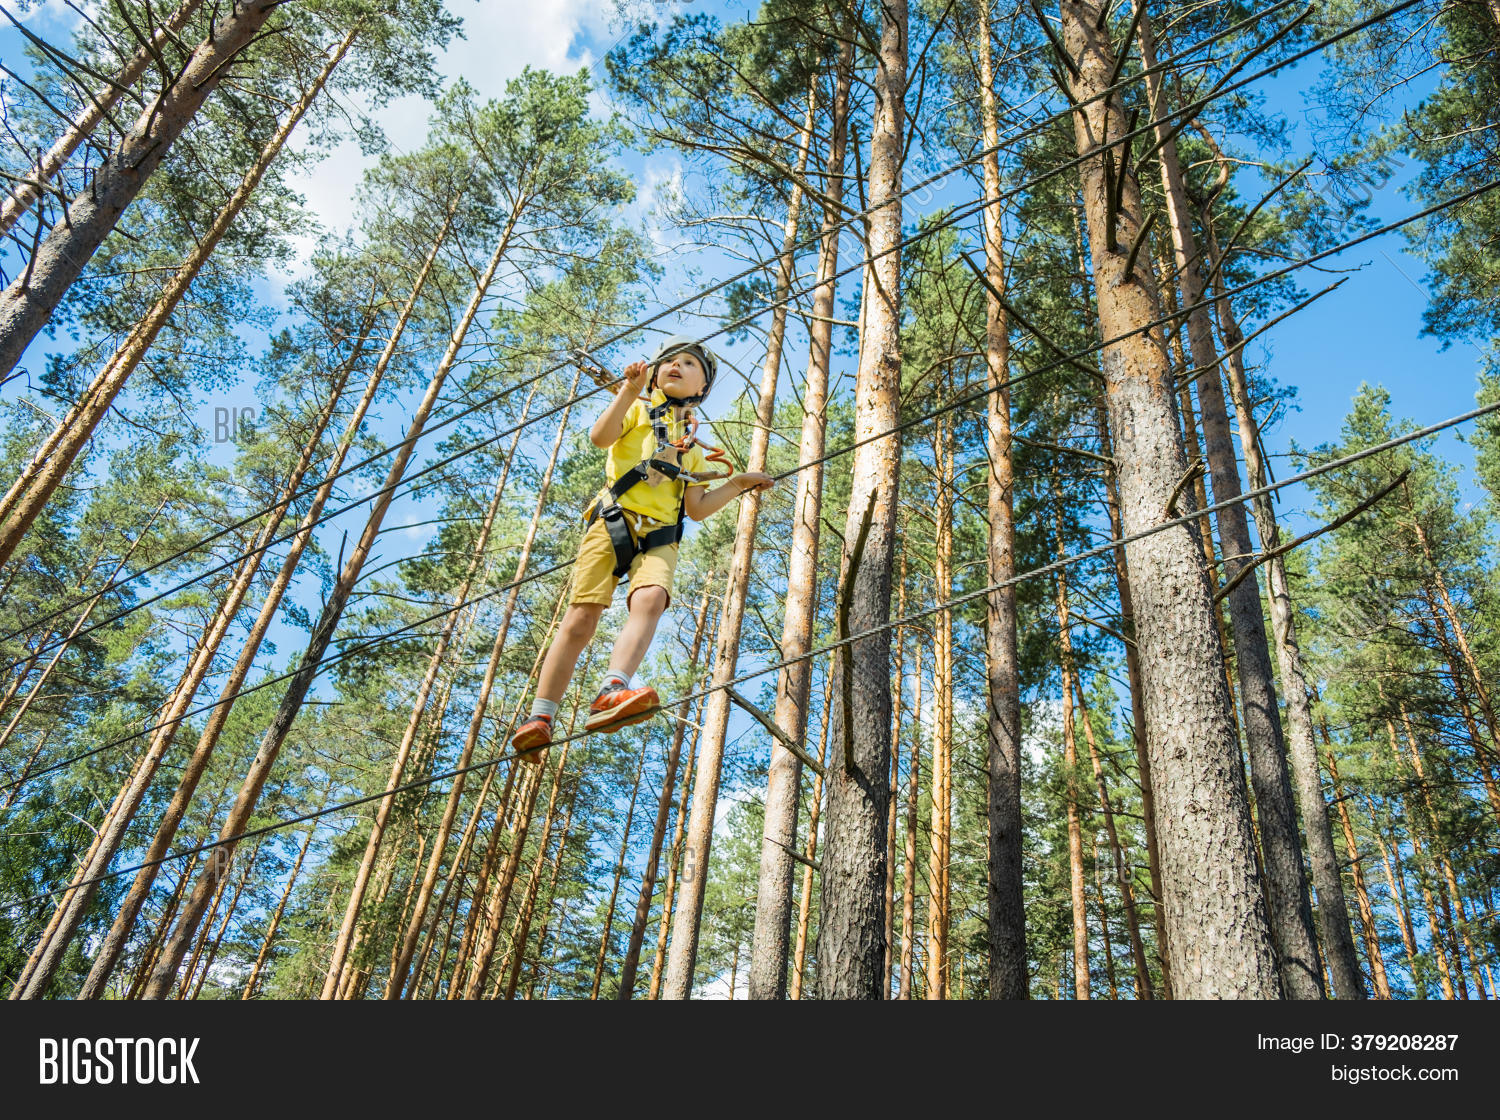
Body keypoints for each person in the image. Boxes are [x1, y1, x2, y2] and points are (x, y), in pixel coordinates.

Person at [511, 336, 773, 758]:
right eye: (669, 360)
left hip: (661, 533)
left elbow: (698, 507)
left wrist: (737, 484)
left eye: (689, 364)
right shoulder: (635, 407)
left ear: (701, 390)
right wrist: (629, 391)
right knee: (583, 615)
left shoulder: (690, 447)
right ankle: (541, 715)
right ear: (653, 372)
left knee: (650, 599)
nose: (676, 365)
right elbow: (601, 437)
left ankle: (612, 689)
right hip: (614, 519)